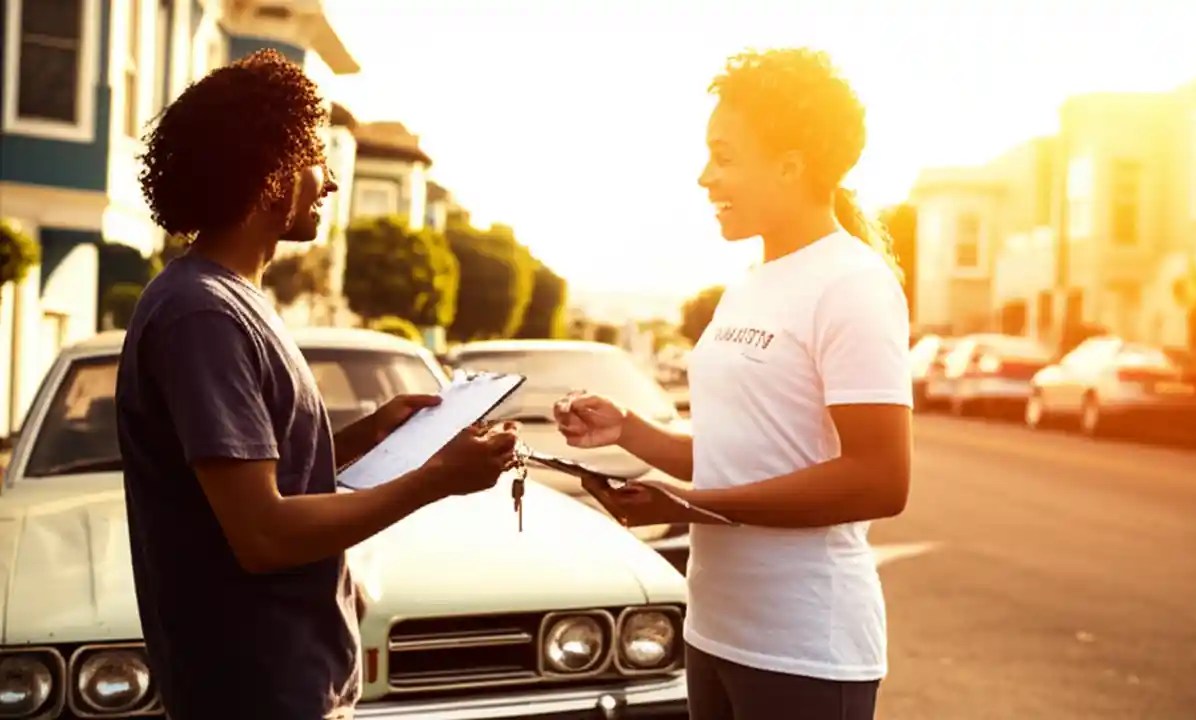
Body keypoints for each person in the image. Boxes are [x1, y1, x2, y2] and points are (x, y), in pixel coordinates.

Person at [116, 49, 519, 720]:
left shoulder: (229, 299)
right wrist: (437, 478)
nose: (329, 181)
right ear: (269, 170)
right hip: (256, 692)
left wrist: (374, 433)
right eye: (315, 155)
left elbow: (264, 483)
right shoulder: (202, 314)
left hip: (289, 679)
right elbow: (264, 533)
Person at [554, 48, 912, 719]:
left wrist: (690, 507)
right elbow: (744, 454)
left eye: (724, 155)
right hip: (715, 629)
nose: (704, 176)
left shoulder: (854, 284)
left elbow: (880, 479)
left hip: (804, 648)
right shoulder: (748, 286)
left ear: (790, 164)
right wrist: (630, 432)